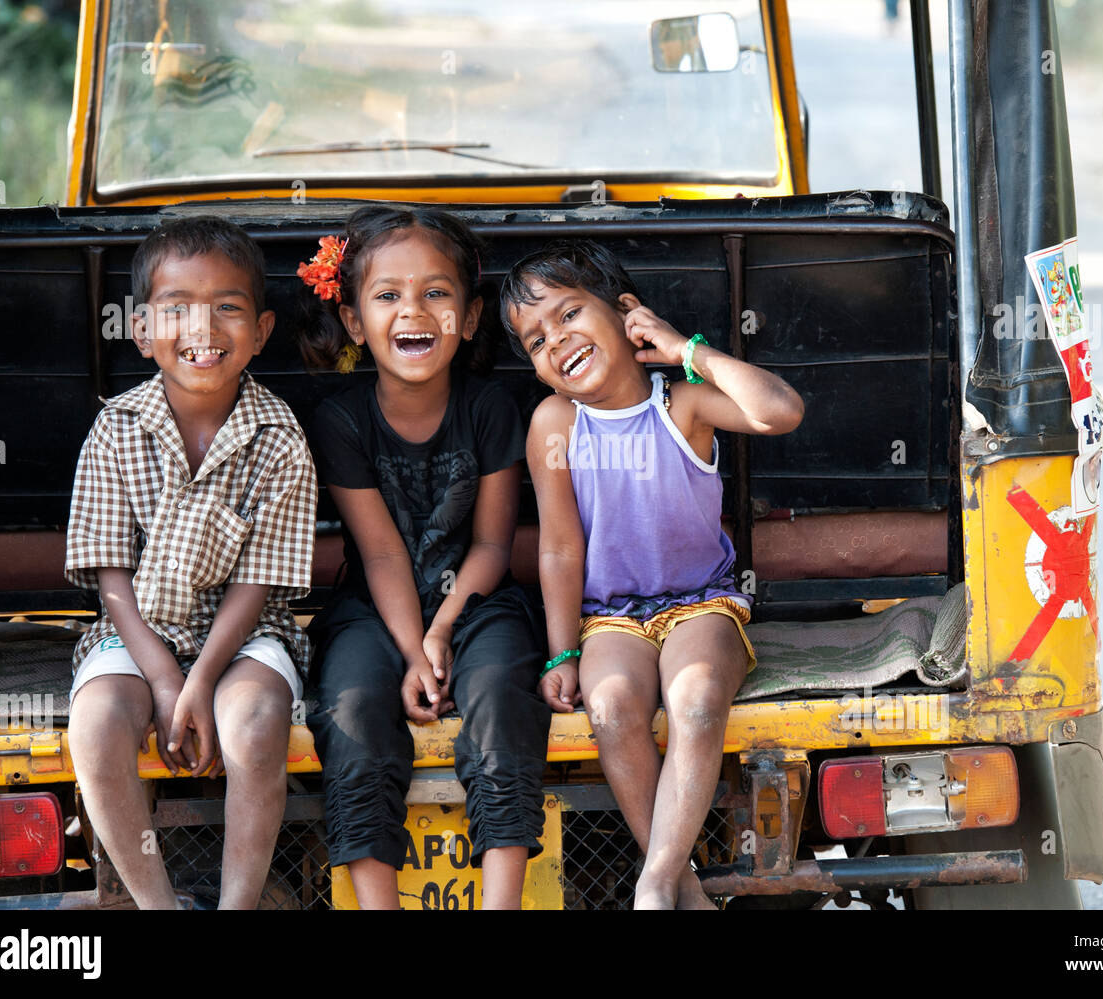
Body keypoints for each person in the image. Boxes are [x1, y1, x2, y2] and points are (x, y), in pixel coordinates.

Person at [501, 240, 805, 909]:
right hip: (612, 615)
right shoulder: (556, 421)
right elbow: (558, 547)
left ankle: (657, 880)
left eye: (570, 314)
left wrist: (684, 348)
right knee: (610, 708)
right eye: (535, 339)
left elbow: (780, 409)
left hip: (702, 604)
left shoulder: (683, 406)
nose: (556, 341)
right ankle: (684, 887)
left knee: (697, 700)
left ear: (626, 312)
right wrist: (562, 649)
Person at [297, 205, 550, 910]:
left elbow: (495, 544)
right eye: (388, 295)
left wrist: (442, 632)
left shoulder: (492, 406)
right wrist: (414, 649)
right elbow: (380, 553)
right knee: (350, 712)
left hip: (476, 601)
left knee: (502, 696)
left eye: (437, 292)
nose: (414, 310)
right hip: (375, 610)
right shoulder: (342, 419)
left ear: (469, 319)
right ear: (353, 320)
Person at [65, 216, 317, 909]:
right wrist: (163, 676)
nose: (202, 328)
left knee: (257, 720)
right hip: (136, 628)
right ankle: (155, 903)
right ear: (143, 331)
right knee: (97, 721)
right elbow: (110, 576)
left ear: (261, 331)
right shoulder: (115, 426)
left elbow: (258, 579)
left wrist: (202, 676)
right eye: (177, 307)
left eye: (227, 307)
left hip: (248, 633)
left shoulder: (278, 435)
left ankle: (238, 902)